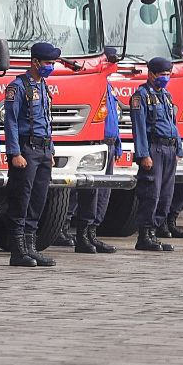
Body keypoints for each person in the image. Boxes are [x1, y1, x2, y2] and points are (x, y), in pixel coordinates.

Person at [3, 42, 59, 267]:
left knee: (38, 199)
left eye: (53, 63)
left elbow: (47, 120)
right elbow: (11, 122)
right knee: (21, 199)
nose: (51, 67)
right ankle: (18, 250)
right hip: (26, 149)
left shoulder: (43, 85)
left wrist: (51, 150)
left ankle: (30, 247)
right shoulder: (18, 87)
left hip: (43, 150)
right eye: (48, 63)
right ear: (35, 62)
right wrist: (15, 152)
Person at [70, 47, 120, 254]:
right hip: (96, 143)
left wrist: (117, 144)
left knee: (103, 193)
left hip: (109, 142)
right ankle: (81, 233)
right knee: (90, 192)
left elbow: (113, 120)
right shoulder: (95, 86)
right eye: (110, 61)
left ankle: (92, 232)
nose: (113, 65)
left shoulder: (108, 87)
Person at [130, 57, 180, 253]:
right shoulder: (140, 96)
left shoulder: (166, 95)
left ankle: (155, 233)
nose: (165, 78)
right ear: (151, 74)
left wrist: (178, 149)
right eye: (162, 75)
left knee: (166, 195)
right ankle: (144, 235)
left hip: (169, 149)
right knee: (151, 193)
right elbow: (139, 128)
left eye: (168, 75)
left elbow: (172, 123)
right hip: (154, 149)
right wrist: (143, 154)